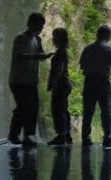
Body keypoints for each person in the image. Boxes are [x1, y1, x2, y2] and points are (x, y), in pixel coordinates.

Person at [8, 12, 53, 146]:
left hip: (31, 80)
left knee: (33, 108)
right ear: (31, 23)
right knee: (22, 107)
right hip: (18, 79)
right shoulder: (20, 38)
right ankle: (14, 134)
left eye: (42, 26)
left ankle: (28, 135)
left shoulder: (37, 39)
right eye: (39, 25)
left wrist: (44, 56)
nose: (41, 28)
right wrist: (38, 56)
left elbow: (40, 52)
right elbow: (20, 56)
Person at [79, 24, 111, 148]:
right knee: (106, 110)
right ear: (108, 36)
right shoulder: (109, 50)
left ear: (97, 35)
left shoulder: (87, 49)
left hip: (89, 81)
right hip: (103, 82)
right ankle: (108, 137)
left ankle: (86, 138)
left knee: (88, 111)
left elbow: (82, 66)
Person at [46, 27, 72, 146]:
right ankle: (66, 134)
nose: (53, 39)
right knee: (63, 109)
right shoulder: (62, 51)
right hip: (65, 83)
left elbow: (59, 69)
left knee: (57, 109)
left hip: (60, 84)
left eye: (54, 36)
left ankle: (61, 135)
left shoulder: (60, 52)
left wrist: (52, 83)